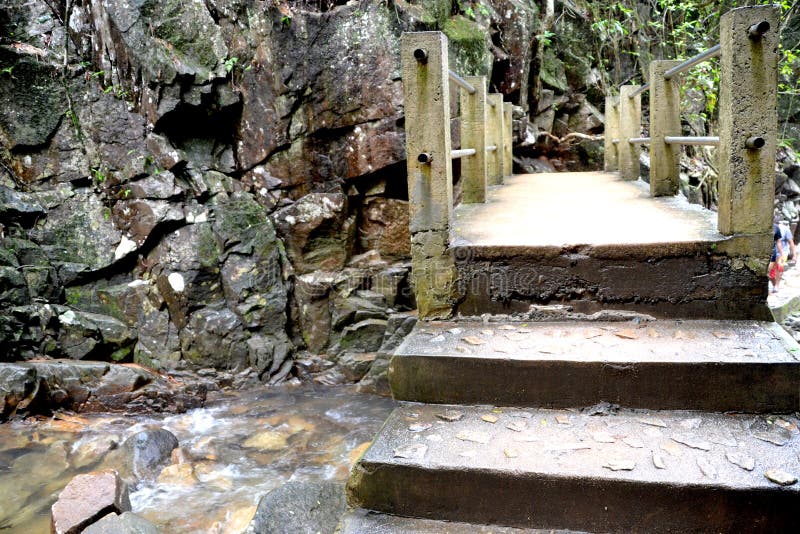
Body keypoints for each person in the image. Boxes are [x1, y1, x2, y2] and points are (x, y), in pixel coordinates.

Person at [769, 220, 785, 293]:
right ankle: (775, 285)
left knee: (770, 270)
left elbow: (778, 241)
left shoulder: (775, 227)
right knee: (768, 273)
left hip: (772, 252)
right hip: (761, 252)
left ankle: (776, 285)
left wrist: (782, 254)